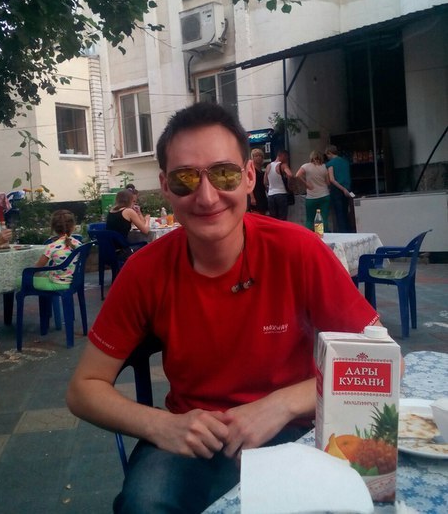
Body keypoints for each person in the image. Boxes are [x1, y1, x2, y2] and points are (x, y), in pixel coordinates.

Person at [67, 102, 388, 514]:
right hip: (187, 434)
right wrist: (161, 425)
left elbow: (380, 363)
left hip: (290, 429)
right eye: (185, 179)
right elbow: (83, 388)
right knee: (142, 505)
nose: (206, 196)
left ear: (249, 176)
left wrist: (281, 404)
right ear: (165, 187)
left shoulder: (298, 251)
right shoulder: (145, 271)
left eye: (224, 174)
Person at [32, 210, 81, 289]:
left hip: (58, 282)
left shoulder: (51, 246)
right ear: (73, 227)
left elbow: (37, 268)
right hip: (76, 281)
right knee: (47, 274)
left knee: (21, 280)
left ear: (53, 228)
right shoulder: (78, 244)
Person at [296, 150, 330, 231]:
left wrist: (306, 184)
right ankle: (325, 235)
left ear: (311, 157)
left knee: (310, 220)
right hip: (324, 195)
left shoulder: (306, 166)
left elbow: (297, 175)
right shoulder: (324, 167)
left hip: (311, 197)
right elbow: (328, 182)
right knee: (324, 219)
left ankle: (309, 236)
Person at [325, 144, 353, 232]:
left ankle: (343, 233)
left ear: (329, 153)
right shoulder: (345, 161)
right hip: (348, 188)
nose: (327, 157)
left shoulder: (330, 164)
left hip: (337, 190)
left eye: (327, 155)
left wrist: (342, 189)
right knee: (346, 212)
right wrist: (345, 189)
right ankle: (349, 231)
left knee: (339, 215)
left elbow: (332, 179)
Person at [264, 149, 293, 220]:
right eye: (286, 157)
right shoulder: (283, 165)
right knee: (282, 218)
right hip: (281, 194)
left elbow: (265, 182)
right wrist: (289, 185)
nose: (287, 159)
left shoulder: (268, 166)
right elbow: (290, 175)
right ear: (282, 155)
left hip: (271, 195)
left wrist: (269, 190)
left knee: (273, 219)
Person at [248, 148, 268, 214]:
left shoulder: (262, 171)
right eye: (256, 156)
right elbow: (249, 183)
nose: (258, 157)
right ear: (252, 158)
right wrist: (252, 197)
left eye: (260, 156)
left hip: (262, 194)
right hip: (255, 194)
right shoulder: (251, 170)